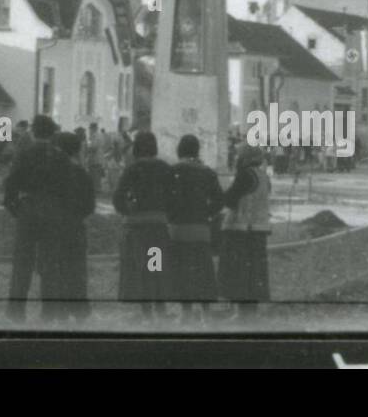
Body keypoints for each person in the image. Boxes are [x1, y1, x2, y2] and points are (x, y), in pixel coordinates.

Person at [2, 114, 70, 321]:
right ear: (52, 133)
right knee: (50, 263)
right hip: (52, 210)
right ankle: (48, 313)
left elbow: (11, 184)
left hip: (28, 207)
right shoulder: (60, 156)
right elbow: (68, 189)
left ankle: (16, 312)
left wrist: (15, 208)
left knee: (22, 262)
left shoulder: (25, 153)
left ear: (34, 132)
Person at [113, 131, 173, 317]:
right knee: (156, 265)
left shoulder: (132, 169)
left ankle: (147, 312)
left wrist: (128, 209)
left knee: (142, 267)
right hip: (158, 225)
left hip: (137, 226)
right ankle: (161, 308)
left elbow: (117, 198)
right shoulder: (165, 168)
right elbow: (174, 197)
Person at [166, 134, 225, 319]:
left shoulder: (172, 171)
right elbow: (219, 200)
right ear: (197, 150)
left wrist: (172, 215)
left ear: (179, 150)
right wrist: (206, 213)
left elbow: (165, 200)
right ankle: (206, 312)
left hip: (177, 230)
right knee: (203, 271)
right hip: (201, 230)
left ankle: (186, 313)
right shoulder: (208, 172)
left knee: (181, 271)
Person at [217, 143, 271, 317]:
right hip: (260, 229)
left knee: (238, 272)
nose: (236, 158)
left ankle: (239, 313)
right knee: (254, 273)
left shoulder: (245, 175)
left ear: (245, 158)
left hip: (240, 229)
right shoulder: (264, 176)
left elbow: (230, 199)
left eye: (239, 155)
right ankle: (250, 311)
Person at [47, 131, 96, 322]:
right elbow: (90, 205)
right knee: (77, 270)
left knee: (57, 270)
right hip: (76, 226)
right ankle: (80, 312)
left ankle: (60, 312)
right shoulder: (83, 174)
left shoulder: (52, 173)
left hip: (55, 227)